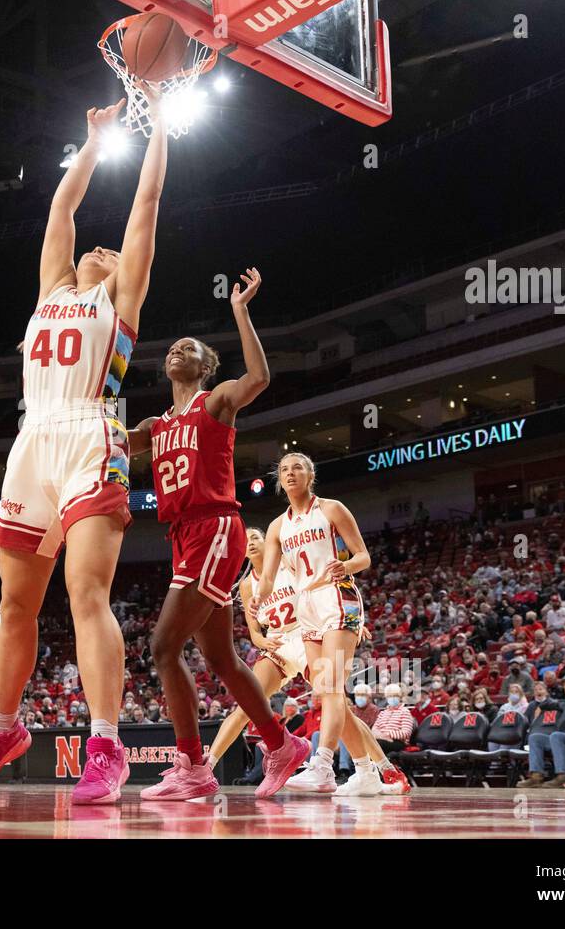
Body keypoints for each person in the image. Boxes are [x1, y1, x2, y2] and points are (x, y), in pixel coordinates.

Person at [0, 92, 171, 804]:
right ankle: (6, 727)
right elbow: (60, 212)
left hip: (91, 432)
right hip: (32, 440)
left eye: (109, 253)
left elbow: (144, 209)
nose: (99, 247)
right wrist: (95, 142)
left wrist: (159, 131)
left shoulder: (121, 302)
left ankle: (106, 745)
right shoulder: (52, 288)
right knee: (17, 604)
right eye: (94, 247)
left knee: (85, 592)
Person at [127, 269, 309, 801]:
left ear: (205, 366)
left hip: (215, 530)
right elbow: (111, 440)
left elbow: (259, 378)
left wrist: (240, 313)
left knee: (163, 647)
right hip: (184, 536)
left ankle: (192, 766)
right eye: (173, 348)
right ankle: (280, 744)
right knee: (222, 659)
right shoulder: (155, 426)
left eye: (190, 348)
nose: (177, 351)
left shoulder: (216, 401)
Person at [251, 452, 401, 797]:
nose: (290, 473)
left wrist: (347, 567)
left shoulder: (331, 509)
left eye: (297, 467)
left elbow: (363, 556)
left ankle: (322, 765)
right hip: (306, 605)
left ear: (310, 474)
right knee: (326, 693)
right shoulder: (277, 526)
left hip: (336, 596)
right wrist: (259, 596)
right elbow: (269, 576)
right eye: (284, 469)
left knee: (332, 686)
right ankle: (366, 772)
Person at [207, 527, 309, 768]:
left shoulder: (288, 561)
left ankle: (377, 767)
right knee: (246, 704)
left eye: (255, 538)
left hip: (305, 634)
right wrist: (262, 641)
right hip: (277, 643)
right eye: (246, 540)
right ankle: (207, 766)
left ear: (267, 542)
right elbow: (254, 632)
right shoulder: (246, 585)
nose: (250, 543)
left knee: (333, 700)